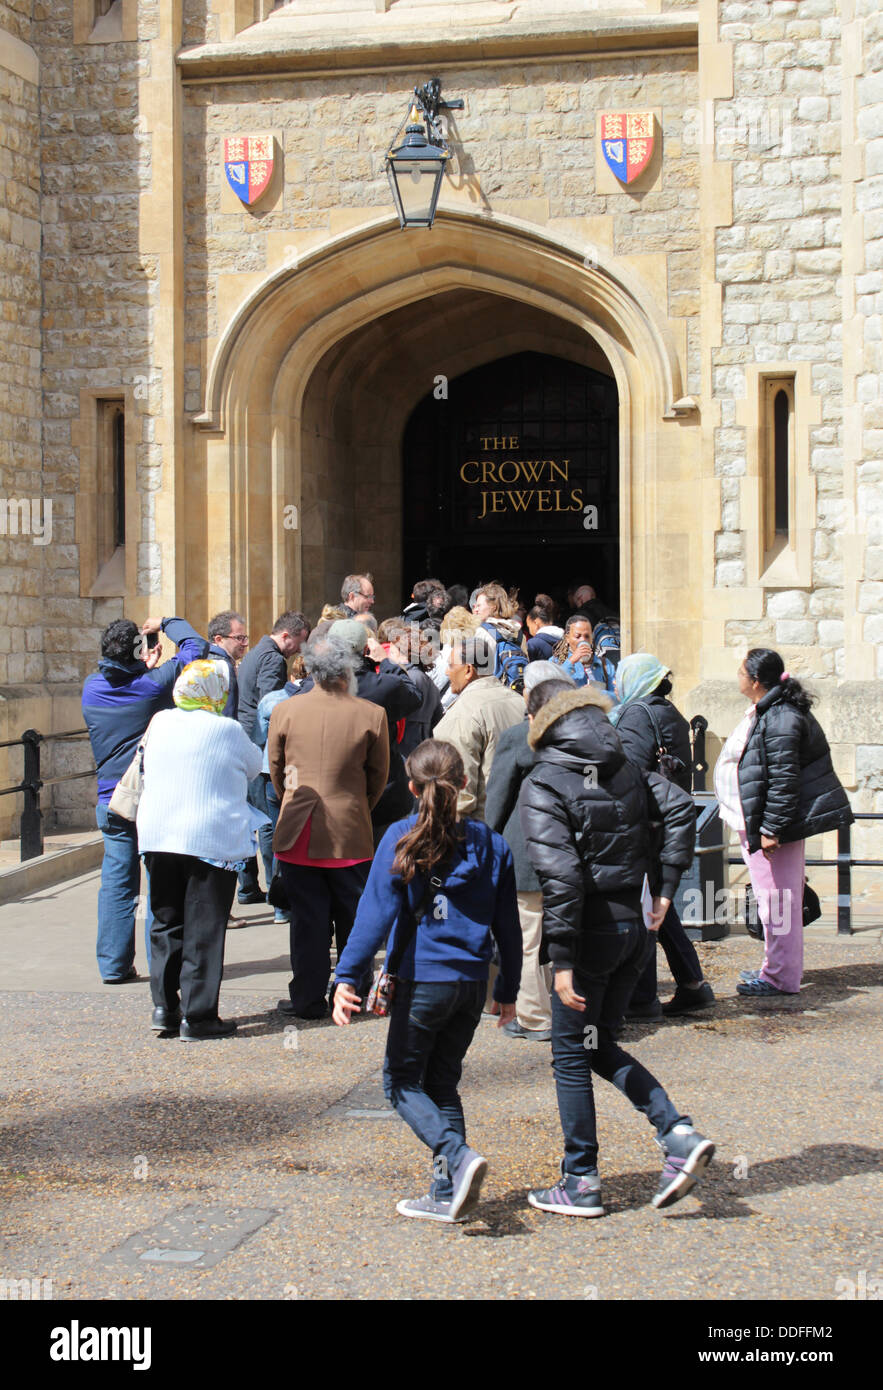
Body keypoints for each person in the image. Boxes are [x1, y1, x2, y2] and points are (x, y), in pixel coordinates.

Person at [520, 678, 713, 1215]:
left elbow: (561, 879)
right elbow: (680, 809)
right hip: (634, 928)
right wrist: (667, 887)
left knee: (570, 1056)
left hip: (591, 934)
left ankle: (580, 1178)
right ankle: (676, 1133)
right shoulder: (625, 766)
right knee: (597, 1044)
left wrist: (560, 961)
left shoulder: (546, 781)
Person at [333, 739, 522, 1223]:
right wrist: (508, 991)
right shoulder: (492, 844)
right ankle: (446, 1190)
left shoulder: (401, 837)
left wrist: (346, 977)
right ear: (462, 784)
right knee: (442, 1082)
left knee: (400, 1082)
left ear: (413, 787)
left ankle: (456, 1159)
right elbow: (508, 927)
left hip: (423, 979)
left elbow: (373, 916)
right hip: (470, 983)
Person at [714, 648, 854, 998]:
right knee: (773, 901)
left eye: (741, 671)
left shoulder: (780, 716)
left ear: (756, 681)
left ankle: (780, 978)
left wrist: (770, 829)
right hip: (758, 822)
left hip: (768, 827)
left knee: (777, 903)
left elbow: (783, 780)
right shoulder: (772, 710)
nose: (737, 675)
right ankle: (773, 967)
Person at [137, 660, 263, 1039]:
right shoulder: (226, 728)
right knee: (204, 928)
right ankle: (199, 1014)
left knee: (166, 921)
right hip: (209, 839)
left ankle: (165, 1007)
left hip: (160, 837)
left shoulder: (160, 721)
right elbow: (255, 766)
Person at [268, 635, 390, 1019]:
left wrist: (294, 802)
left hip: (299, 829)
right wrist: (356, 807)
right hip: (349, 830)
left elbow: (276, 771)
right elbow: (378, 777)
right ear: (346, 671)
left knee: (308, 922)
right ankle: (353, 992)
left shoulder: (285, 710)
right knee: (354, 918)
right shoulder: (371, 714)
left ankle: (306, 999)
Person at [82, 613, 208, 983]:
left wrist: (139, 666)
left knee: (117, 885)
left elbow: (120, 679)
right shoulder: (152, 687)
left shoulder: (91, 687)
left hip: (111, 801)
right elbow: (195, 648)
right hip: (151, 800)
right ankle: (162, 967)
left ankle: (113, 964)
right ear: (136, 655)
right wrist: (167, 622)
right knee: (160, 884)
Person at [611, 653, 714, 1019]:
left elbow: (631, 775)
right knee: (658, 907)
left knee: (644, 907)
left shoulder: (636, 714)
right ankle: (692, 984)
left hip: (646, 822)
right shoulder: (669, 711)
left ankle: (643, 999)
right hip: (665, 820)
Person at [485, 661, 576, 1041]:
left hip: (525, 853)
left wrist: (485, 840)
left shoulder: (520, 736)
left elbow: (498, 798)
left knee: (526, 937)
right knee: (565, 937)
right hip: (571, 851)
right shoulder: (585, 735)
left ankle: (535, 1018)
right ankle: (571, 1012)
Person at [236, 609, 310, 904]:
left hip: (248, 740)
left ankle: (248, 886)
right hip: (259, 746)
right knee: (268, 821)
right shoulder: (273, 659)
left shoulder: (255, 653)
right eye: (298, 642)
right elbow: (271, 706)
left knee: (253, 817)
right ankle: (275, 889)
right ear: (284, 636)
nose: (299, 651)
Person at [433, 630, 524, 821]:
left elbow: (457, 792)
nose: (447, 672)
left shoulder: (464, 712)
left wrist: (453, 834)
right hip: (520, 821)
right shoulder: (520, 702)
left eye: (451, 665)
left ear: (468, 670)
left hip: (481, 828)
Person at [252, 653, 307, 926]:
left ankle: (278, 903)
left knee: (274, 834)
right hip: (302, 774)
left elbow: (260, 738)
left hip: (272, 774)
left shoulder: (271, 700)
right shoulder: (313, 702)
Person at [377, 618, 443, 757]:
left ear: (403, 653)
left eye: (393, 651)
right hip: (422, 749)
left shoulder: (408, 678)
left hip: (405, 751)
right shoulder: (427, 681)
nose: (389, 655)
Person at [471, 582, 527, 690]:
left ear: (493, 607)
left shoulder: (481, 632)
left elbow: (476, 673)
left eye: (479, 605)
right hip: (516, 692)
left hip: (490, 692)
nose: (475, 610)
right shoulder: (519, 633)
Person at [207, 610, 248, 719]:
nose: (245, 643)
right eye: (239, 638)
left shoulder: (204, 660)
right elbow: (228, 715)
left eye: (244, 638)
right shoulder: (223, 667)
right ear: (219, 639)